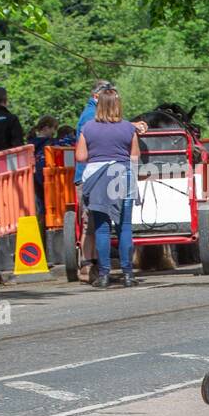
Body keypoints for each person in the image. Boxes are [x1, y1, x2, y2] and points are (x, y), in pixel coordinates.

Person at [76, 88, 139, 289]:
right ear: (118, 105)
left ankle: (104, 276)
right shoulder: (129, 128)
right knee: (124, 227)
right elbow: (135, 156)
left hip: (97, 178)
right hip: (122, 175)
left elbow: (80, 157)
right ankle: (128, 274)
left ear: (99, 104)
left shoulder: (88, 127)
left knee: (102, 229)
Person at [28, 115, 57, 238]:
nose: (54, 132)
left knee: (39, 210)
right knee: (47, 210)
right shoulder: (50, 143)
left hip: (33, 179)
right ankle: (46, 237)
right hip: (47, 179)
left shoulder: (30, 144)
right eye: (53, 129)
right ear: (46, 128)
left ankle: (39, 238)